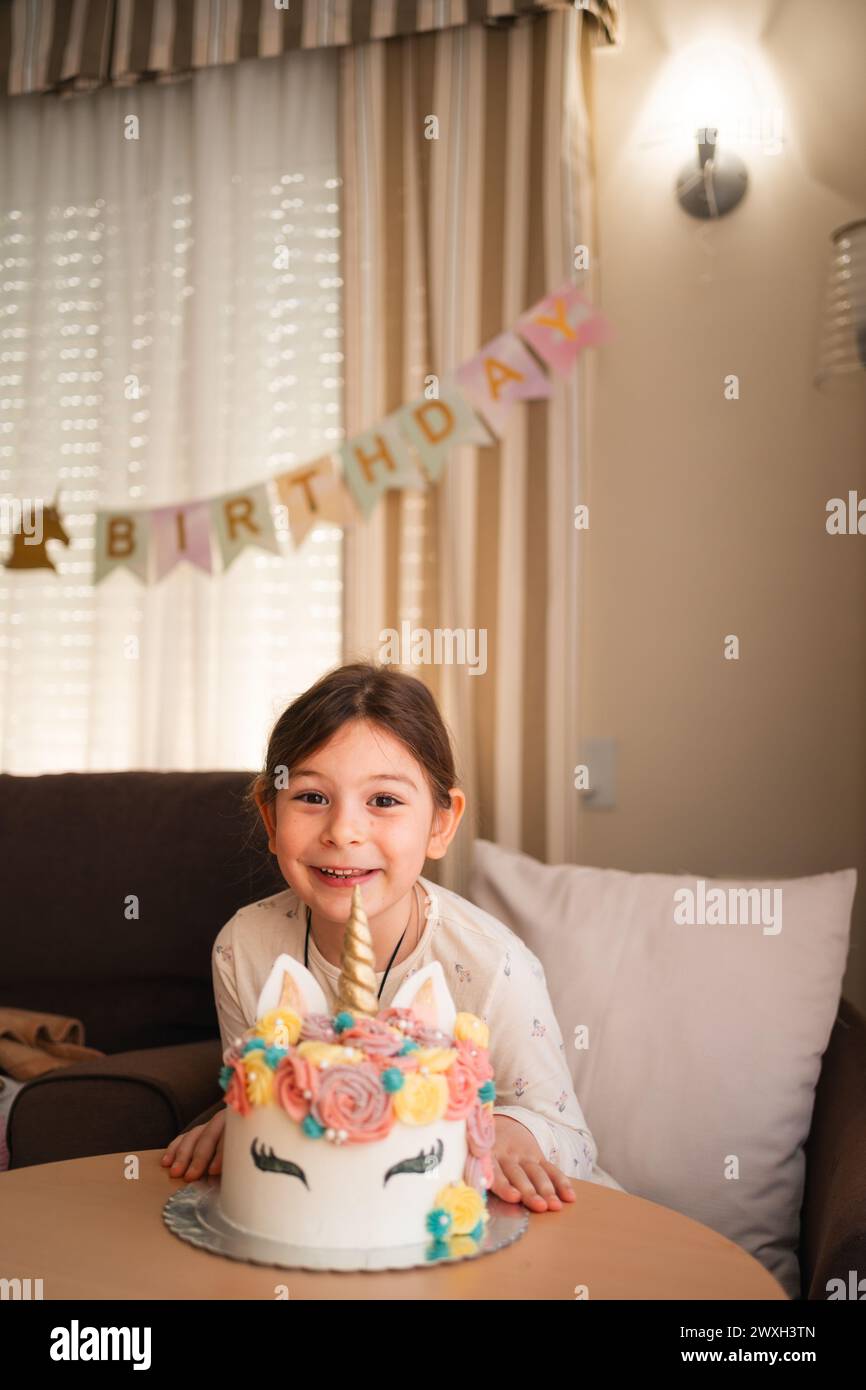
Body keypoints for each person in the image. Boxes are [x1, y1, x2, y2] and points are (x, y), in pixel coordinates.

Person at [162, 659, 623, 1210]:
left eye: (384, 801)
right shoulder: (245, 948)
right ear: (270, 816)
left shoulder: (492, 964)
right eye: (312, 797)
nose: (343, 832)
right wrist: (233, 1117)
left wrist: (509, 1130)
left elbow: (571, 1138)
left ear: (440, 823)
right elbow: (262, 1089)